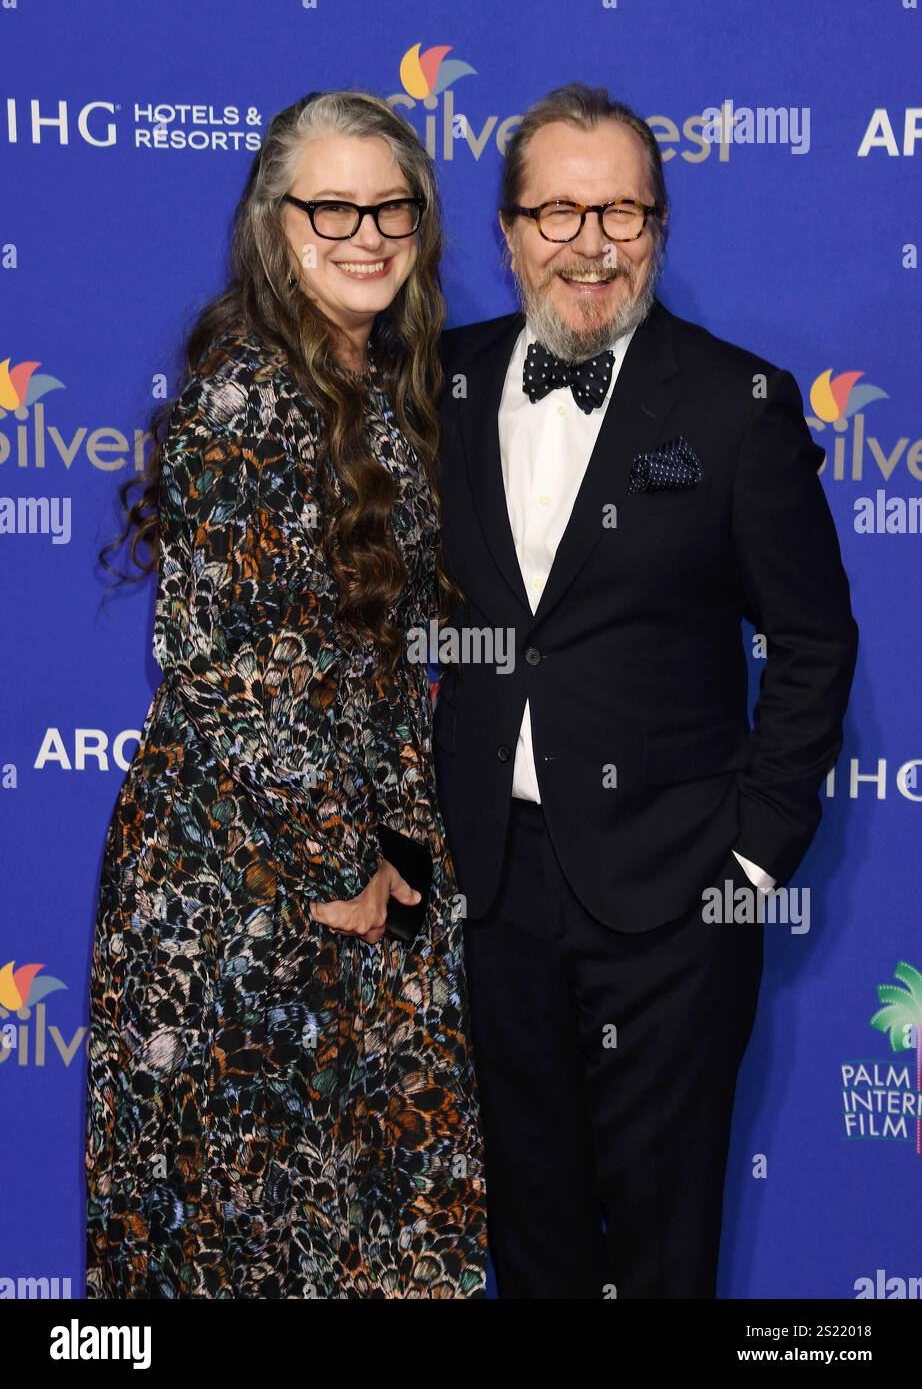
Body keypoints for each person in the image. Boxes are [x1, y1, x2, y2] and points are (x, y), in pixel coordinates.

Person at [434, 82, 859, 1299]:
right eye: (556, 212)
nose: (590, 245)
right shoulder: (443, 387)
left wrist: (752, 865)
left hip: (677, 903)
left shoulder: (738, 405)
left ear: (659, 229)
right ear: (509, 231)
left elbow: (814, 642)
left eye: (619, 211)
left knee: (665, 1254)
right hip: (495, 891)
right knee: (530, 1241)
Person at [86, 90, 487, 1299]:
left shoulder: (390, 387)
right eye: (331, 207)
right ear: (274, 223)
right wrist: (338, 867)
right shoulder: (249, 392)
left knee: (375, 1219)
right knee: (257, 1228)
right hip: (252, 883)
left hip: (374, 852)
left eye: (391, 207)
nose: (365, 233)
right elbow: (220, 662)